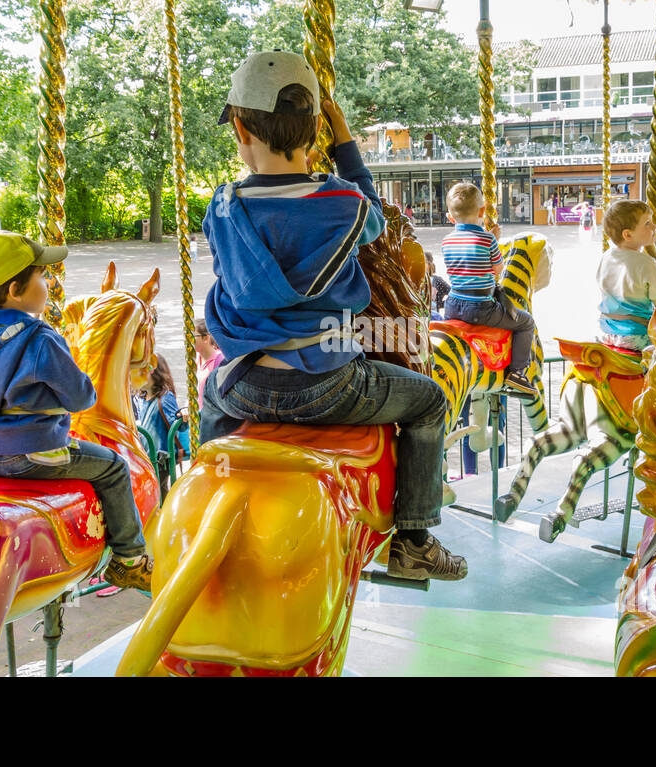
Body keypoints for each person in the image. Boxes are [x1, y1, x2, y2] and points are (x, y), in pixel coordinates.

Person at [198, 51, 465, 581]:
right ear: (316, 128)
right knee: (430, 401)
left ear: (241, 129)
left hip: (243, 383)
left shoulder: (223, 206)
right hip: (330, 385)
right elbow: (374, 215)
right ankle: (414, 537)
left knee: (208, 396)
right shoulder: (345, 203)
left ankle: (205, 493)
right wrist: (345, 147)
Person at [0, 230, 154, 590]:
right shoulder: (40, 338)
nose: (48, 282)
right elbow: (81, 399)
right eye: (42, 276)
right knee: (113, 467)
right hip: (34, 451)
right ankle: (129, 559)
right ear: (15, 290)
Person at [440, 181, 539, 400]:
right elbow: (498, 269)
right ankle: (517, 374)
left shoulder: (446, 240)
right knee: (526, 322)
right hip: (480, 307)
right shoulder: (487, 239)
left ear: (450, 217)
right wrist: (492, 239)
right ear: (483, 211)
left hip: (453, 305)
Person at [597, 200, 656, 352]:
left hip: (605, 330)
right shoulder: (645, 262)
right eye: (647, 223)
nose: (654, 227)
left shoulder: (606, 256)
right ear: (628, 234)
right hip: (636, 335)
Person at [133, 354, 190, 496]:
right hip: (147, 453)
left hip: (161, 456)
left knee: (159, 490)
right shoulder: (142, 397)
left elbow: (177, 425)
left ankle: (164, 513)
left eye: (142, 372)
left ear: (154, 373)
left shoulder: (165, 398)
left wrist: (182, 416)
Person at [193, 318, 223, 406]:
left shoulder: (219, 360)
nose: (187, 339)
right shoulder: (196, 358)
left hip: (209, 416)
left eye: (192, 336)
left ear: (205, 338)